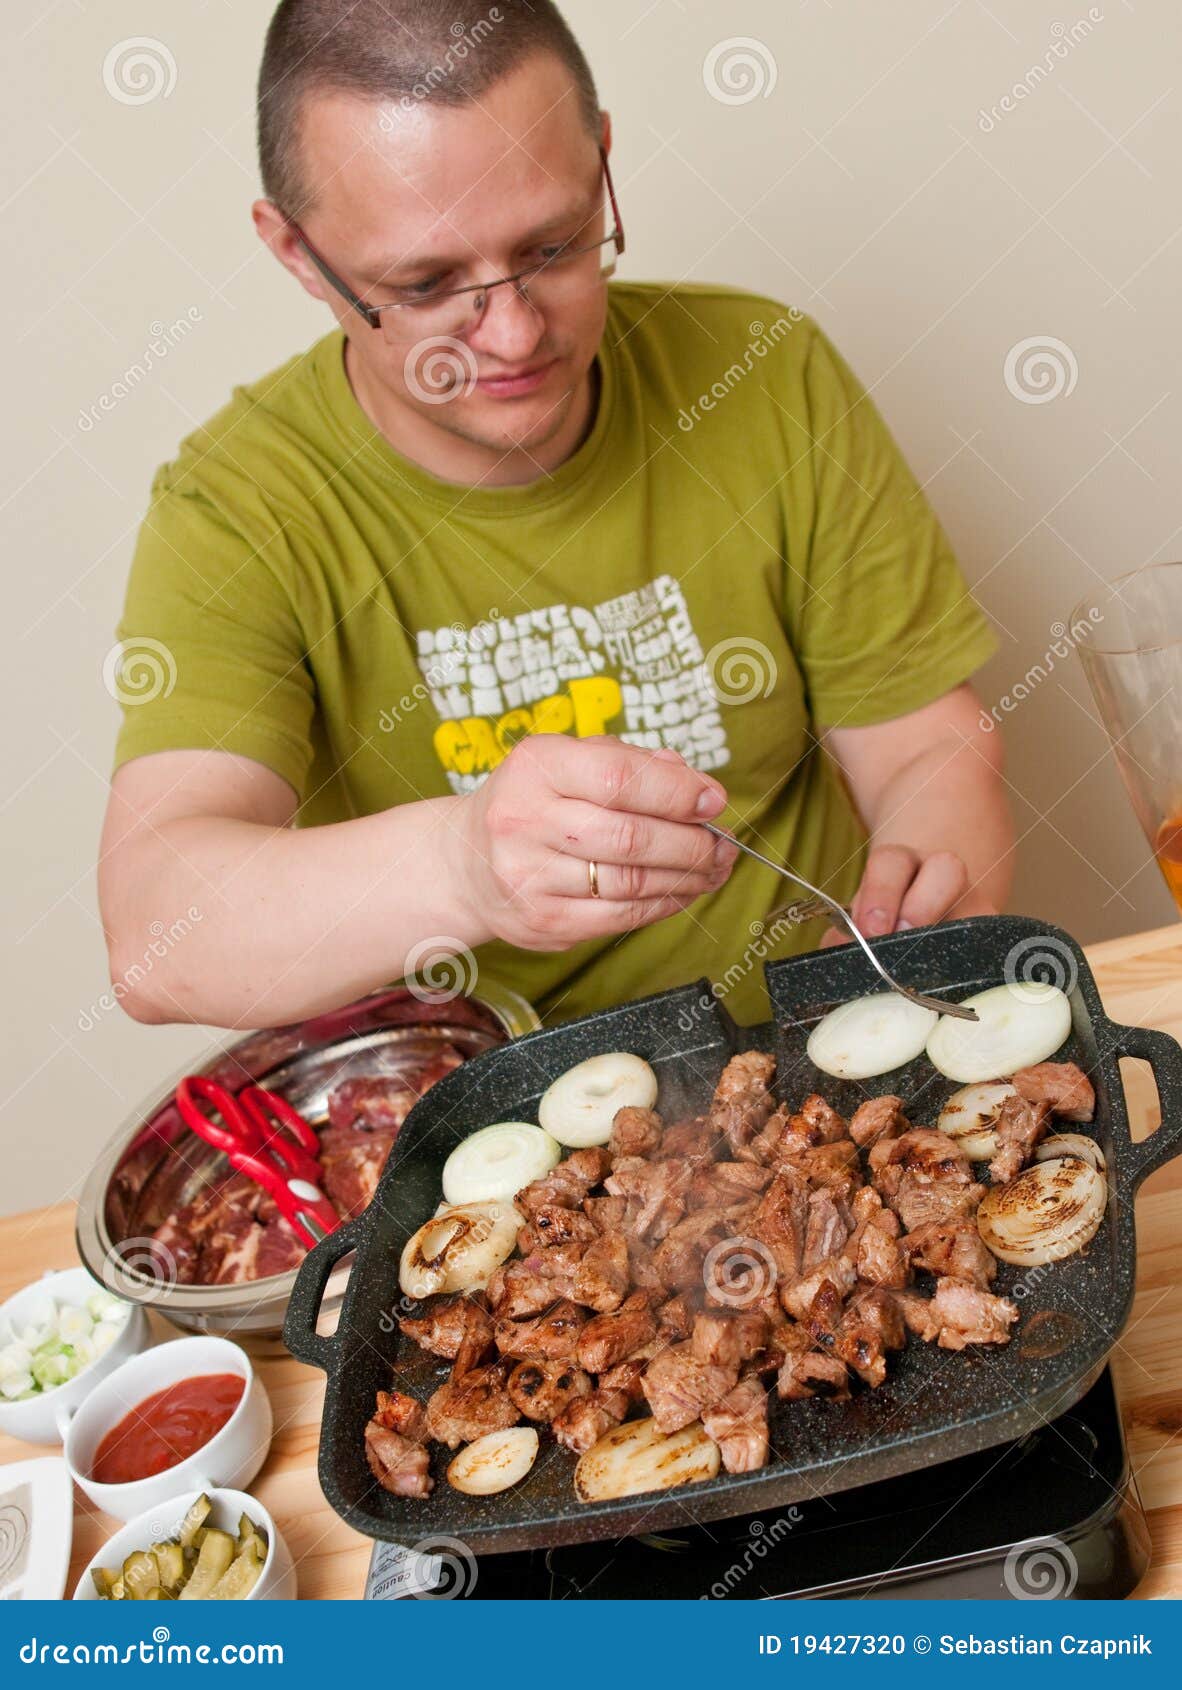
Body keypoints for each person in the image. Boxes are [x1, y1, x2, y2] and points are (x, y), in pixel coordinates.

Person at [99, 0, 1012, 1032]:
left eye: (555, 245)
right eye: (428, 282)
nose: (516, 330)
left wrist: (927, 899)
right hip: (489, 1138)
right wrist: (463, 862)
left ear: (603, 161)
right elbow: (155, 938)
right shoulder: (238, 505)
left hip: (817, 1051)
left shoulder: (767, 372)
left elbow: (926, 748)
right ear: (300, 255)